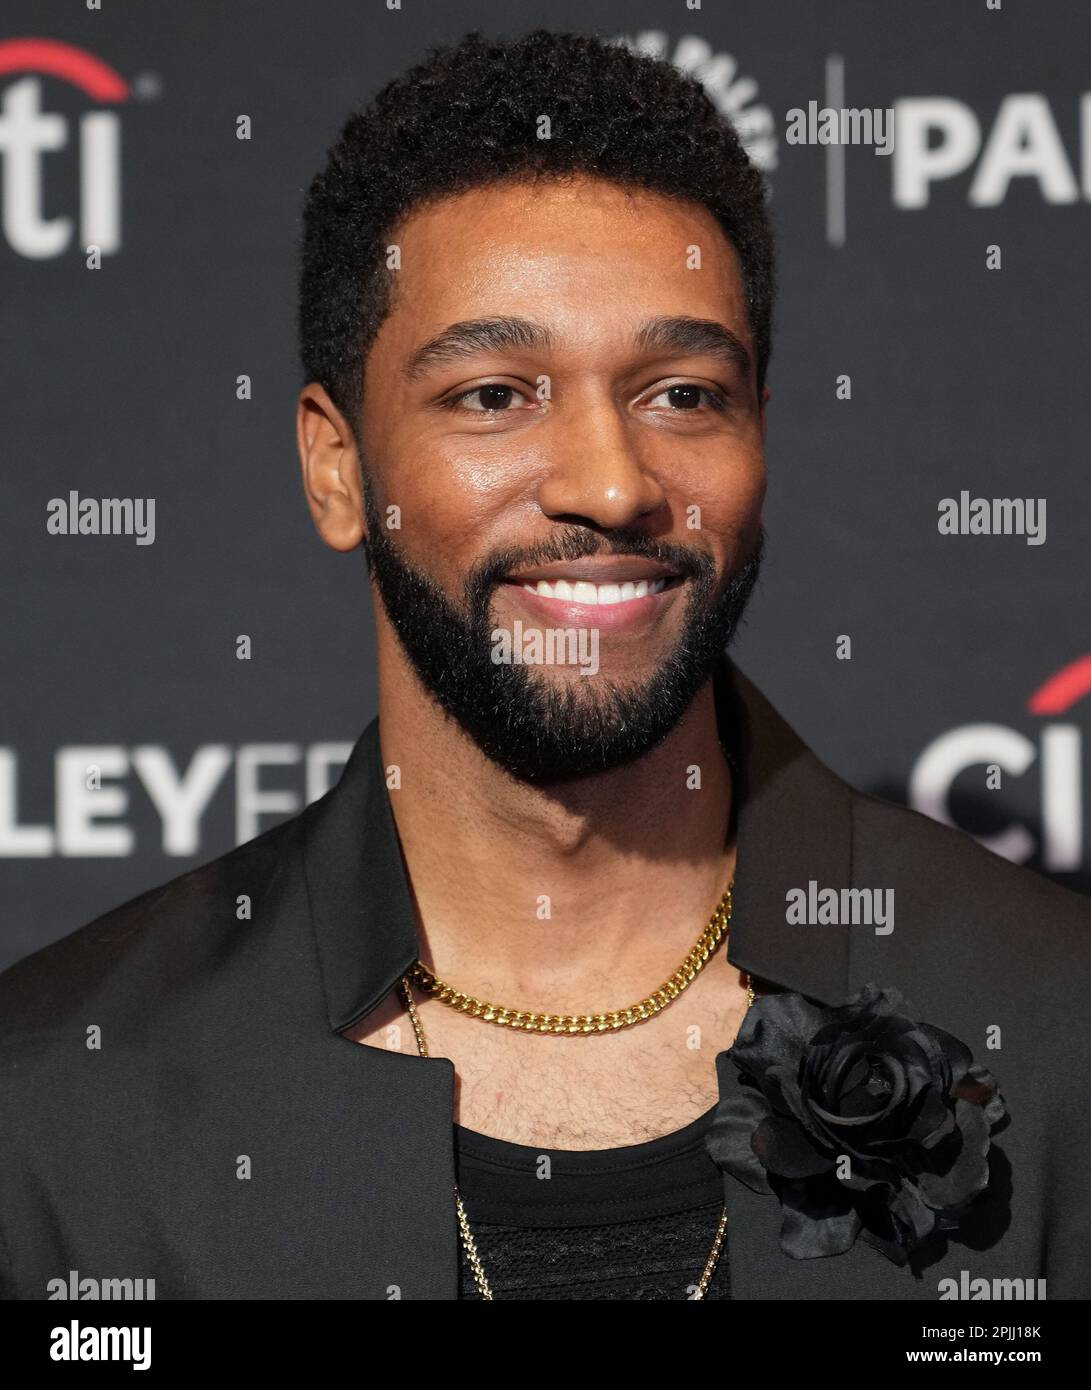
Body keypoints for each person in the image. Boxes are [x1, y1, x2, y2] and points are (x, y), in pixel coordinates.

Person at [1, 28, 1088, 1302]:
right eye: (493, 394)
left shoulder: (1053, 1026)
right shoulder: (58, 1109)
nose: (611, 483)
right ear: (336, 466)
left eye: (681, 393)